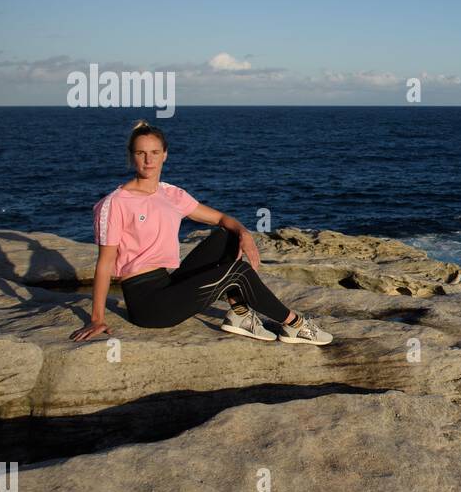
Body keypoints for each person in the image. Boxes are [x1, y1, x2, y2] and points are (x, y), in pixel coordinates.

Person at [69, 119, 332, 346]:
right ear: (131, 156)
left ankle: (240, 313)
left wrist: (244, 233)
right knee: (237, 273)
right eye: (140, 153)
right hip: (148, 304)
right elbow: (104, 263)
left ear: (165, 155)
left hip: (167, 283)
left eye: (154, 152)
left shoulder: (171, 194)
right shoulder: (115, 202)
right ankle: (295, 324)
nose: (148, 160)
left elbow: (220, 218)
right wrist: (96, 319)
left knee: (227, 236)